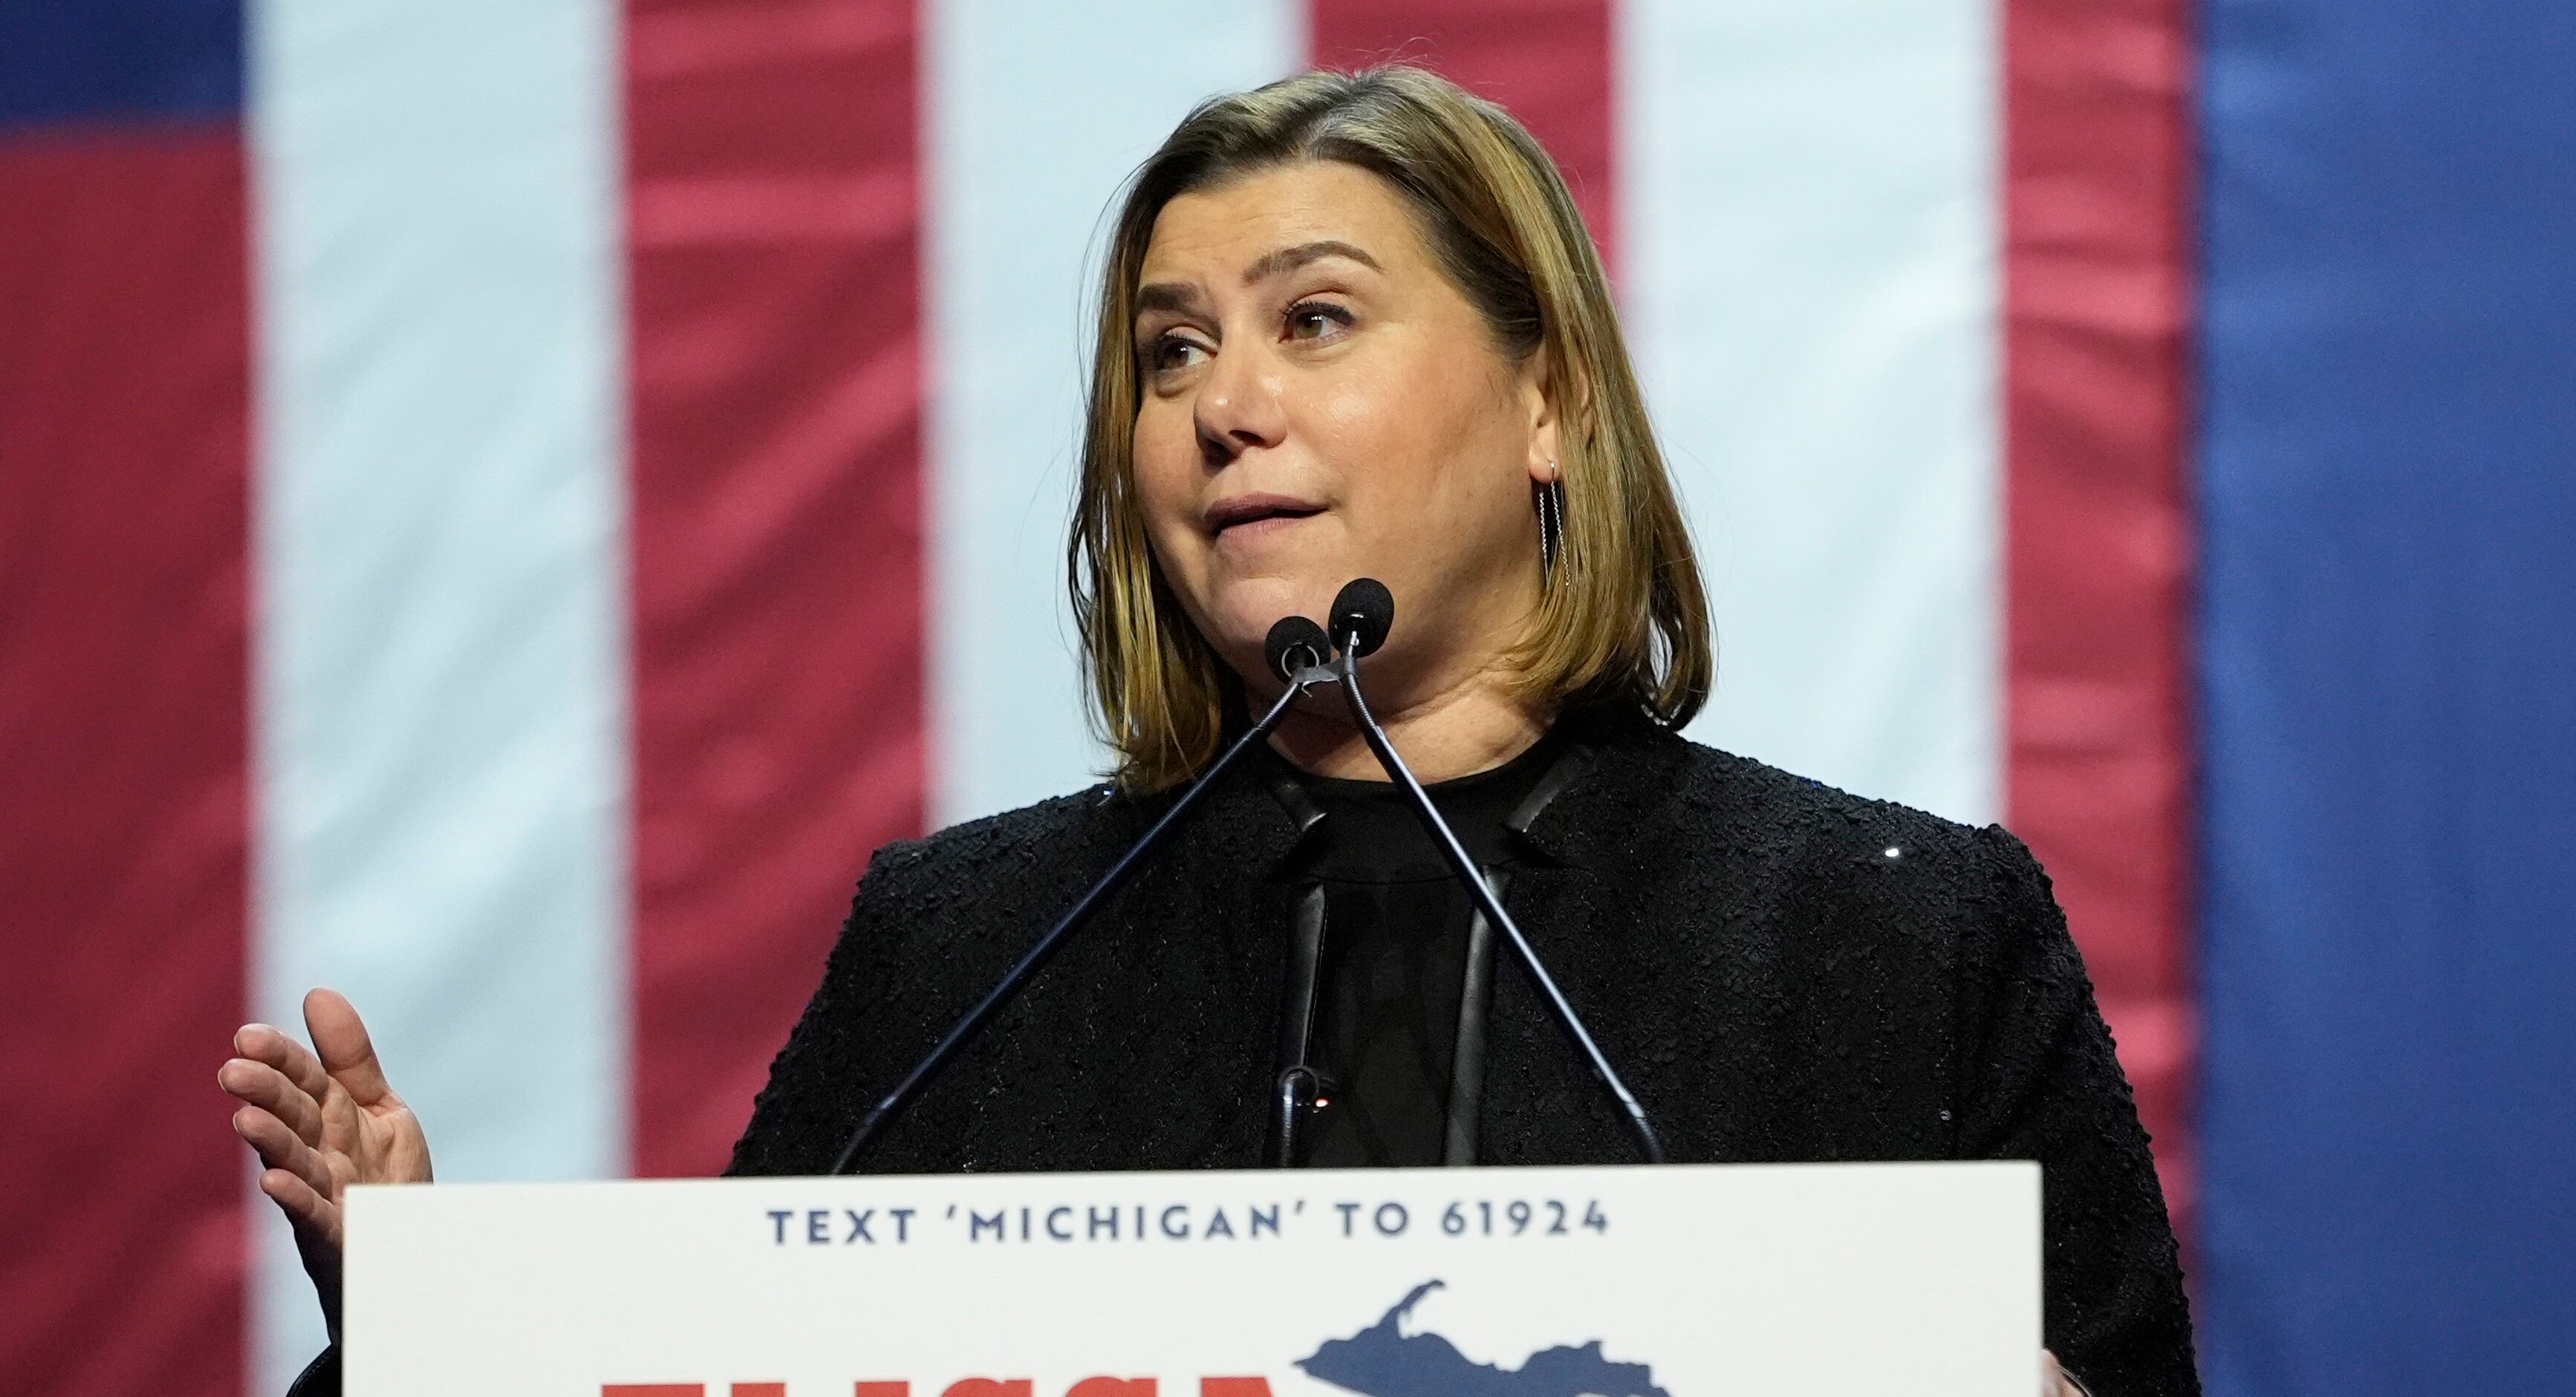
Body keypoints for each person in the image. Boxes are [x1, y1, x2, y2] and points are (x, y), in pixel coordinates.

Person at [221, 66, 2193, 1396]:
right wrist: (438, 1338)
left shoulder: (1893, 932)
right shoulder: (965, 949)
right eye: (1171, 349)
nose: (1220, 404)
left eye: (1313, 321)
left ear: (1548, 403)